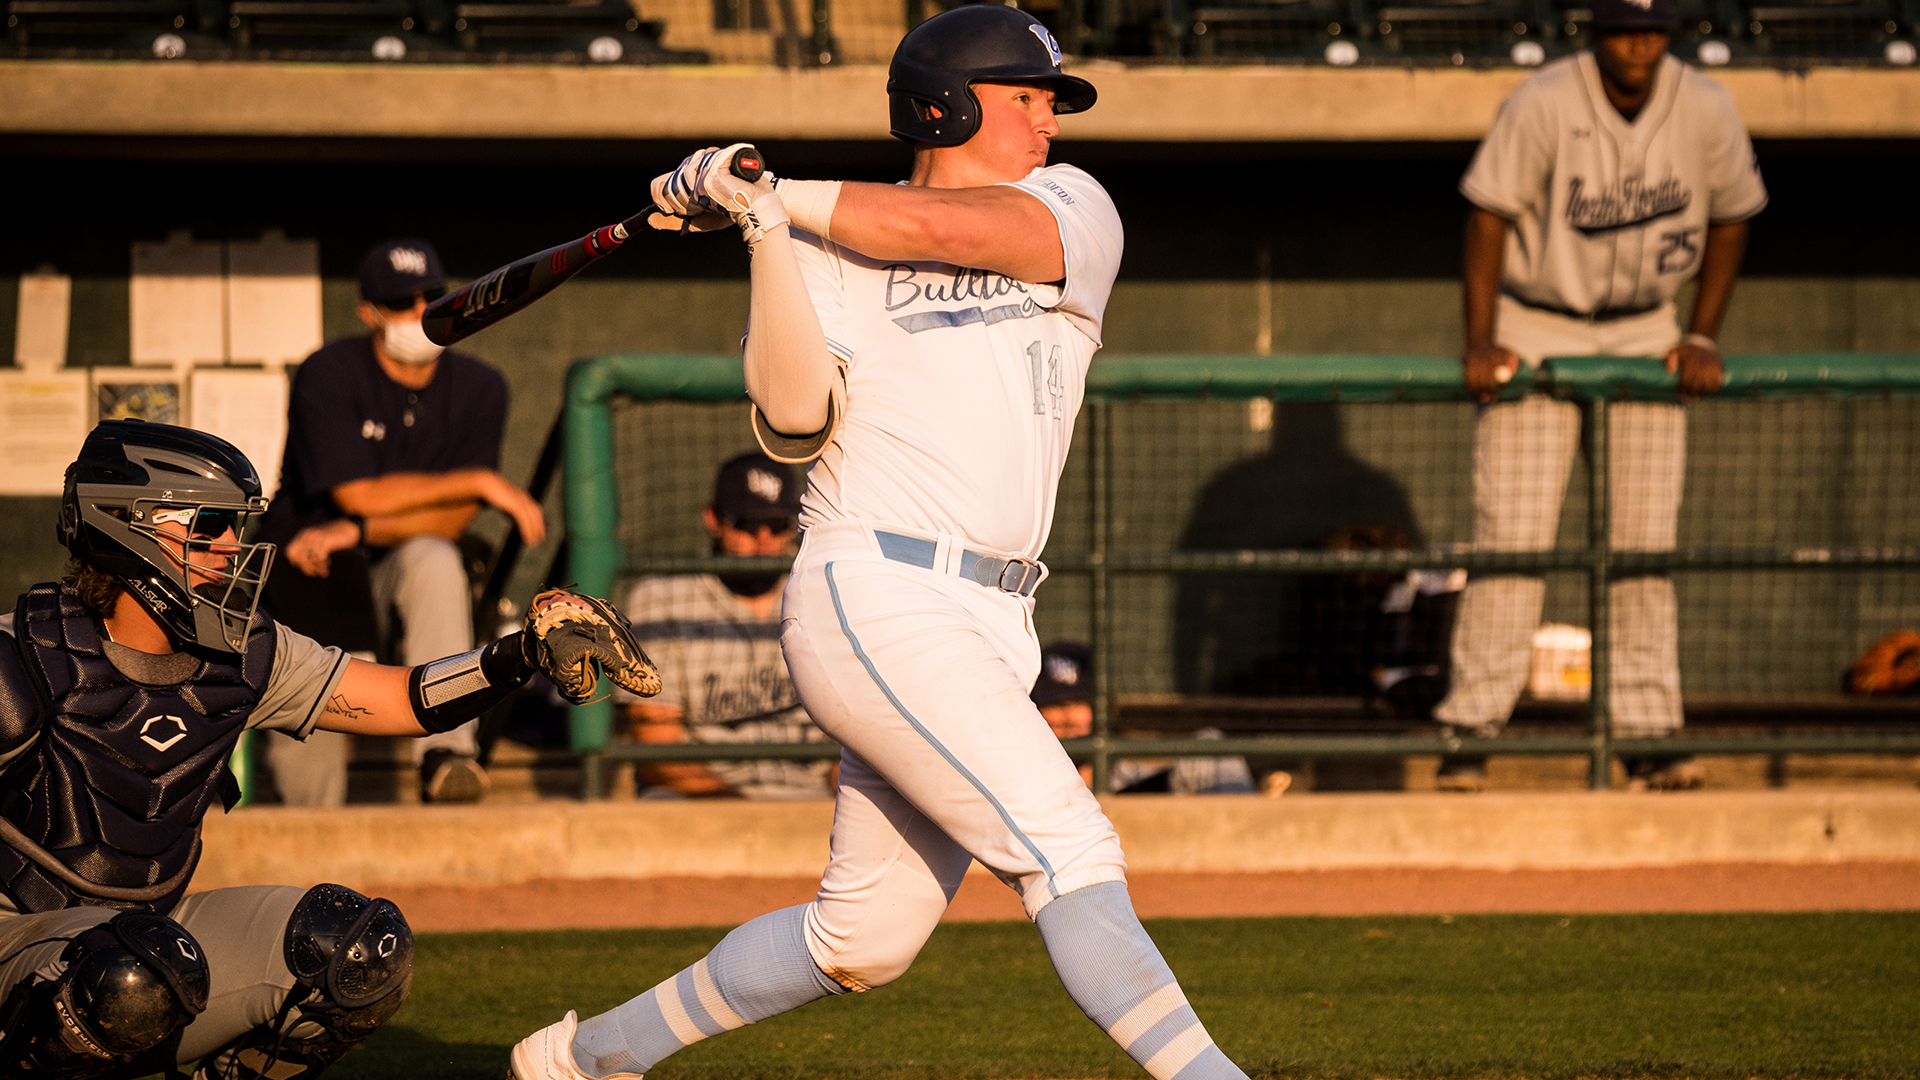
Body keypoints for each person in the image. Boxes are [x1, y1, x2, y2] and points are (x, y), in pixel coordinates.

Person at [509, 7, 1250, 1080]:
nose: (1051, 122)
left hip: (997, 616)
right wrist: (766, 238)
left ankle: (586, 1060)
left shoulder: (1074, 205)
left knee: (860, 940)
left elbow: (950, 232)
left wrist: (769, 195)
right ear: (946, 106)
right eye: (1028, 98)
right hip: (876, 590)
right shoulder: (816, 248)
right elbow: (795, 416)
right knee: (1070, 850)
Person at [0, 420, 654, 1079]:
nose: (233, 548)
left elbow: (403, 700)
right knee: (128, 975)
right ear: (125, 526)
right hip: (19, 946)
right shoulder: (21, 656)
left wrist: (517, 656)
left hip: (150, 934)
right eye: (209, 528)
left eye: (236, 526)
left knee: (360, 948)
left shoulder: (244, 653)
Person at [1431, 0, 1767, 793]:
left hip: (1649, 329)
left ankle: (1649, 736)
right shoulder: (1545, 98)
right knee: (1512, 544)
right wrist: (1482, 337)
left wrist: (1704, 333)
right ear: (1593, 29)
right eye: (1623, 25)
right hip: (1538, 324)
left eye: (1652, 24)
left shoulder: (1708, 106)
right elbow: (1487, 215)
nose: (1640, 39)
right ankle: (1471, 731)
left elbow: (1734, 216)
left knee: (1641, 549)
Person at [258, 237, 548, 805]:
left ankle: (447, 754)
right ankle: (313, 840)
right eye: (400, 303)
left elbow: (451, 521)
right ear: (369, 312)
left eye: (431, 297)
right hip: (314, 572)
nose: (420, 314)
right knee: (313, 702)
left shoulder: (481, 385)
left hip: (395, 575)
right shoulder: (329, 371)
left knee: (436, 558)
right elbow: (358, 495)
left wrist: (365, 529)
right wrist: (479, 480)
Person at [618, 452, 834, 800]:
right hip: (704, 802)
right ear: (713, 519)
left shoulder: (824, 595)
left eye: (778, 524)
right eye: (747, 525)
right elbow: (658, 755)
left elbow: (850, 749)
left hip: (809, 797)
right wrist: (744, 819)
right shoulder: (663, 599)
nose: (763, 538)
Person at [1033, 641, 1256, 795]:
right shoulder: (1019, 787)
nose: (1070, 717)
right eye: (1056, 705)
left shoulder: (1131, 776)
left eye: (1082, 703)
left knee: (1210, 745)